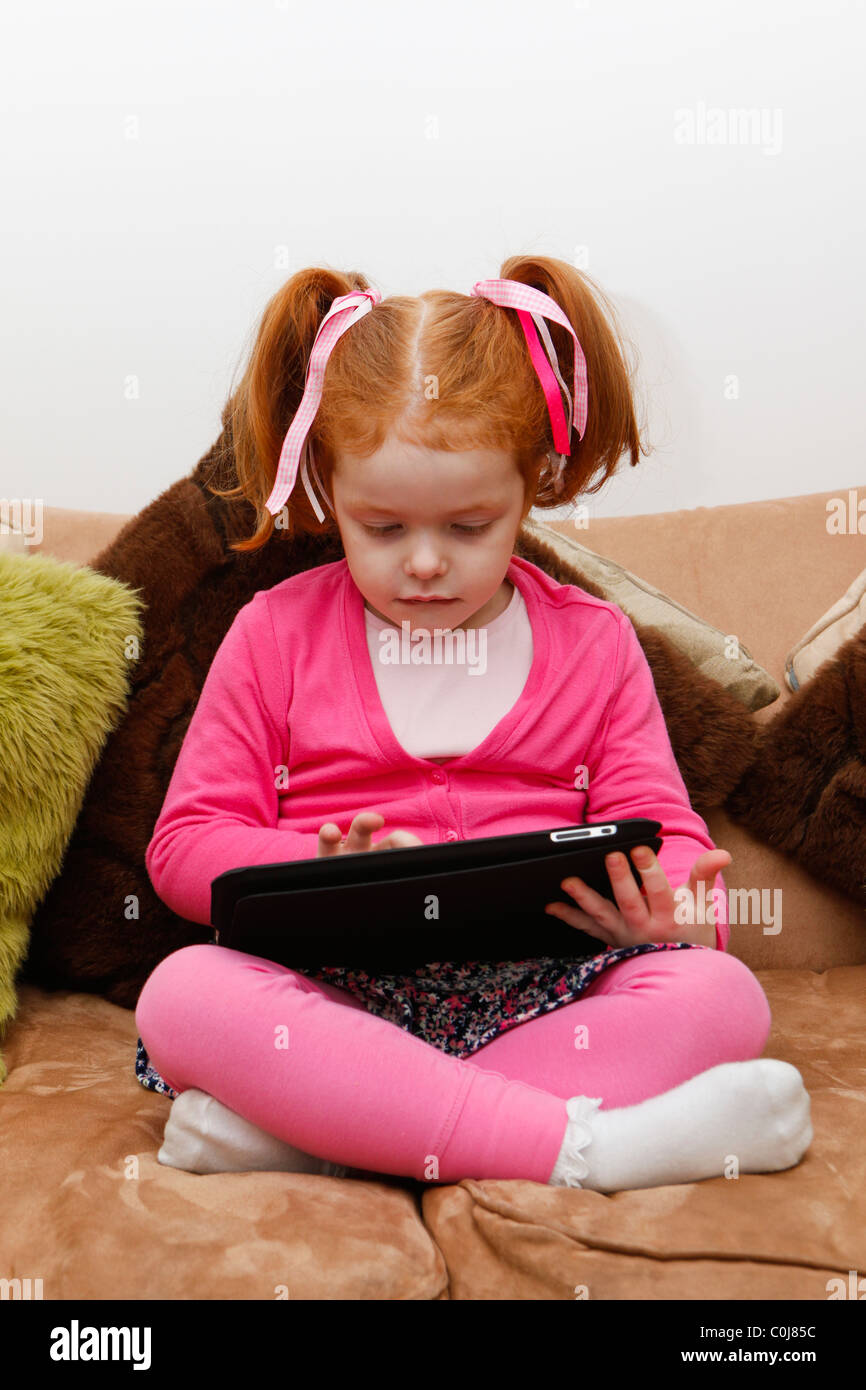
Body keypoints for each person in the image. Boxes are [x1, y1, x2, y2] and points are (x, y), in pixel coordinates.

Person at [135, 255, 812, 1192]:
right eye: (382, 529)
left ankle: (330, 1134)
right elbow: (183, 849)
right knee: (182, 997)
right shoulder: (274, 634)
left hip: (546, 994)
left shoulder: (595, 643)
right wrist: (319, 874)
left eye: (468, 527)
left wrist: (680, 908)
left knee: (720, 996)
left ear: (530, 490)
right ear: (329, 493)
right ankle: (591, 1150)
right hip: (334, 995)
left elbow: (668, 833)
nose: (424, 564)